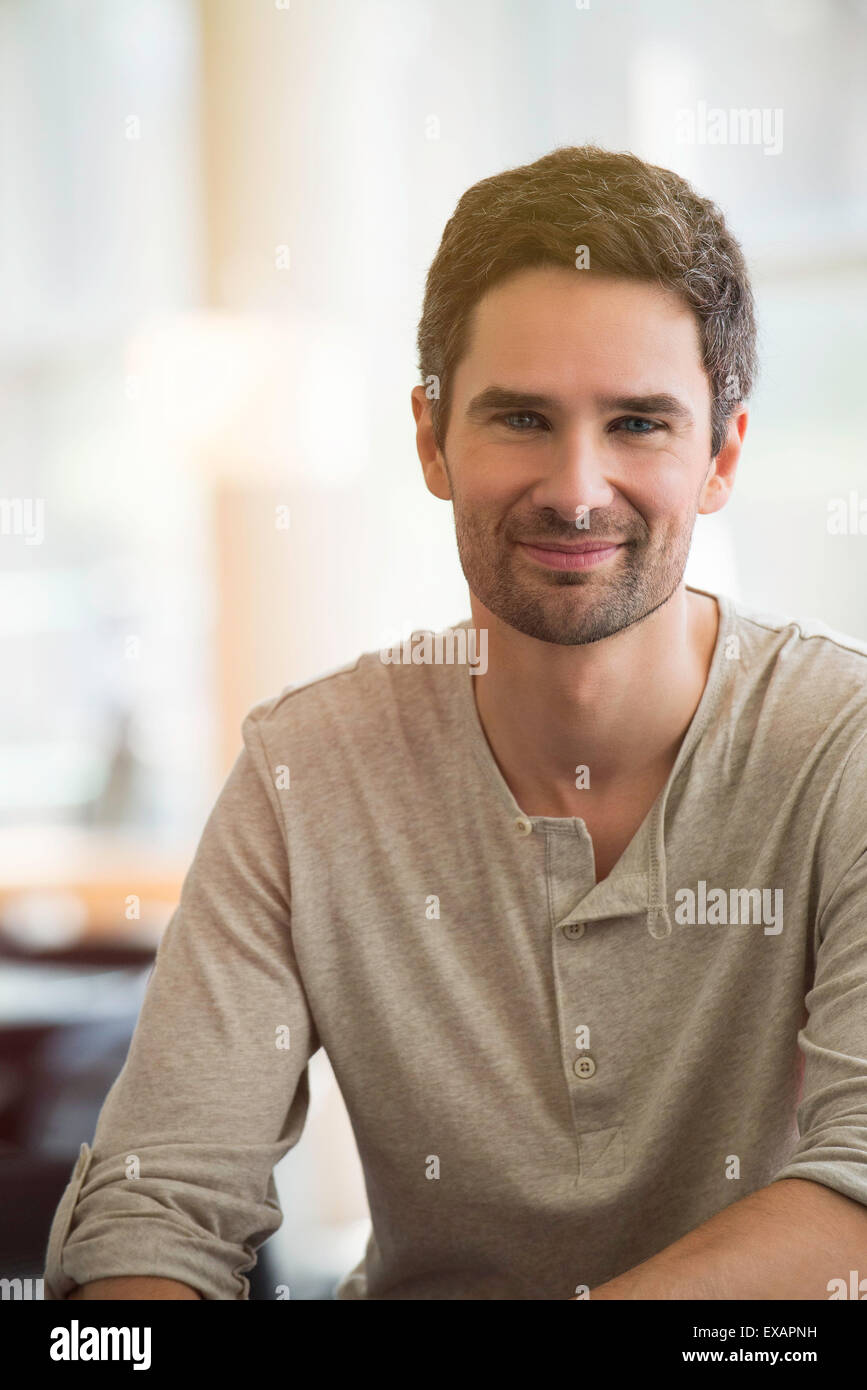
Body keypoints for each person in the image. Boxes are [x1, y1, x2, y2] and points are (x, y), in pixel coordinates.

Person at [45, 145, 867, 1301]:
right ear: (433, 439)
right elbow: (156, 1202)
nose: (578, 487)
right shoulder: (305, 770)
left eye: (638, 423)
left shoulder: (847, 748)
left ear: (721, 455)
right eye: (522, 417)